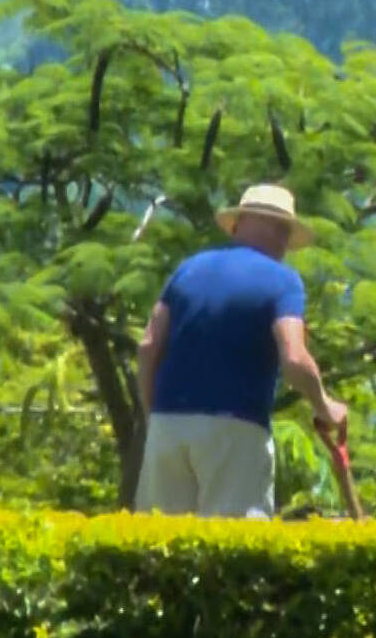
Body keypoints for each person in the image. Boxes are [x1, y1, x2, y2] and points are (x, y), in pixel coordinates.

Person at [134, 183, 353, 518]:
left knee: (157, 550)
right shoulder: (282, 281)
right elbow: (294, 358)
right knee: (234, 553)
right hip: (235, 432)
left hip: (167, 425)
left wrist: (156, 418)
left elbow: (148, 346)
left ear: (238, 225)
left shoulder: (188, 269)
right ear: (282, 232)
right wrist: (324, 405)